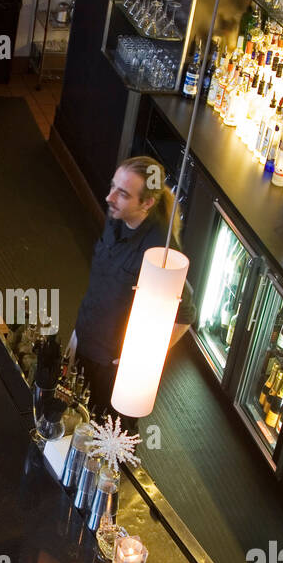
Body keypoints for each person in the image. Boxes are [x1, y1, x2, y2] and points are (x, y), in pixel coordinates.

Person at [71, 156, 196, 418]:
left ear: (147, 203)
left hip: (111, 367)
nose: (110, 197)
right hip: (83, 340)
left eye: (123, 193)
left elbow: (186, 315)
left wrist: (139, 361)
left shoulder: (160, 251)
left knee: (110, 440)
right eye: (113, 186)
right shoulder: (117, 215)